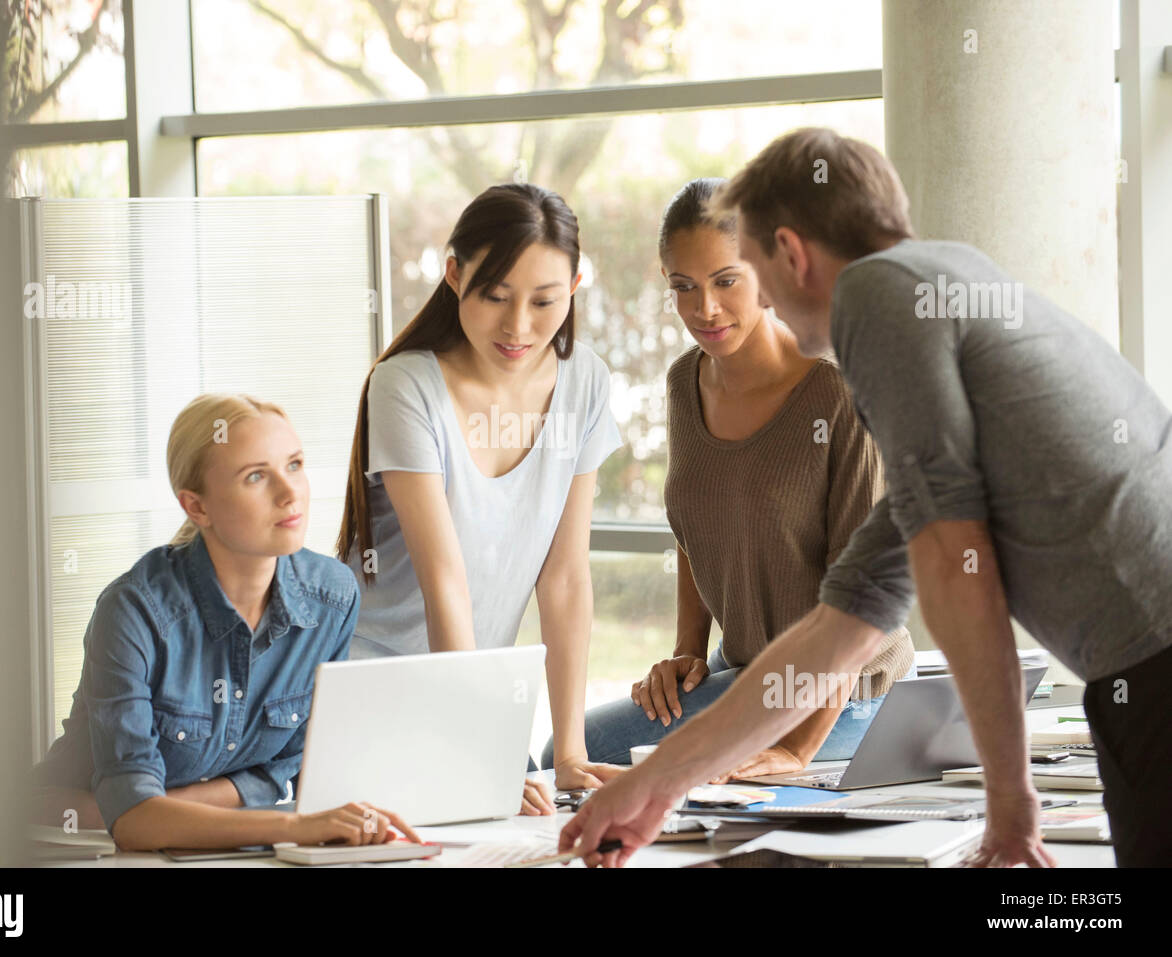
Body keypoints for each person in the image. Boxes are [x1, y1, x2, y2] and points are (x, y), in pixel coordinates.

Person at [560, 127, 1172, 869]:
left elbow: (954, 565)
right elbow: (844, 624)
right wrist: (656, 786)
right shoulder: (941, 287)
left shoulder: (879, 298)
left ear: (789, 252)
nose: (762, 304)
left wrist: (1010, 805)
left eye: (746, 268)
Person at [540, 178, 914, 777]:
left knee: (578, 758)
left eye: (725, 281)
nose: (704, 309)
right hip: (743, 672)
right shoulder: (683, 384)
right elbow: (694, 530)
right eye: (683, 287)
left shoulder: (841, 393)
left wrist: (796, 750)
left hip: (848, 693)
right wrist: (688, 654)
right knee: (564, 754)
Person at [336, 183, 626, 815]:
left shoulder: (585, 382)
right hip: (370, 687)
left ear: (574, 286)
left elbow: (566, 578)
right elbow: (447, 582)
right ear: (453, 275)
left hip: (462, 695)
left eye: (545, 300)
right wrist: (469, 756)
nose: (519, 326)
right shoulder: (406, 385)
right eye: (495, 296)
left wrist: (570, 756)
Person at [30, 394, 419, 851]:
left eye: (294, 464)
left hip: (221, 842)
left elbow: (290, 762)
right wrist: (293, 827)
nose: (289, 491)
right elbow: (134, 821)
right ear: (197, 507)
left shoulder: (333, 597)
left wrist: (175, 809)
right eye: (256, 476)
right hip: (71, 840)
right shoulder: (133, 612)